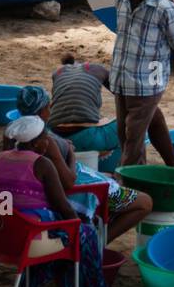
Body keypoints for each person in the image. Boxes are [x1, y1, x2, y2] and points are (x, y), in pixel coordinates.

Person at [0, 117, 119, 287]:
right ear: (35, 143)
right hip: (31, 236)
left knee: (59, 227)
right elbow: (64, 207)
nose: (48, 142)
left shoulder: (0, 159)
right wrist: (78, 227)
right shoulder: (42, 164)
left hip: (3, 233)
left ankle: (30, 286)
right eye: (45, 138)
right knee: (85, 232)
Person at [9, 88, 153, 244]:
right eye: (48, 107)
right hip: (76, 192)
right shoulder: (45, 142)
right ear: (44, 110)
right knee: (144, 203)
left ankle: (96, 234)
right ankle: (95, 244)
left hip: (46, 191)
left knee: (110, 177)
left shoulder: (14, 134)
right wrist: (70, 152)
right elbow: (68, 182)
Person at [107, 0, 174, 167]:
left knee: (132, 139)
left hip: (147, 82)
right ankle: (172, 163)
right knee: (127, 132)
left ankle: (129, 184)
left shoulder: (163, 8)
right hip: (122, 80)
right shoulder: (121, 1)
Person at [48, 54, 117, 159]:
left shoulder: (57, 73)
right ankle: (100, 151)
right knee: (131, 122)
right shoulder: (97, 69)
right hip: (87, 138)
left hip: (56, 138)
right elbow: (122, 94)